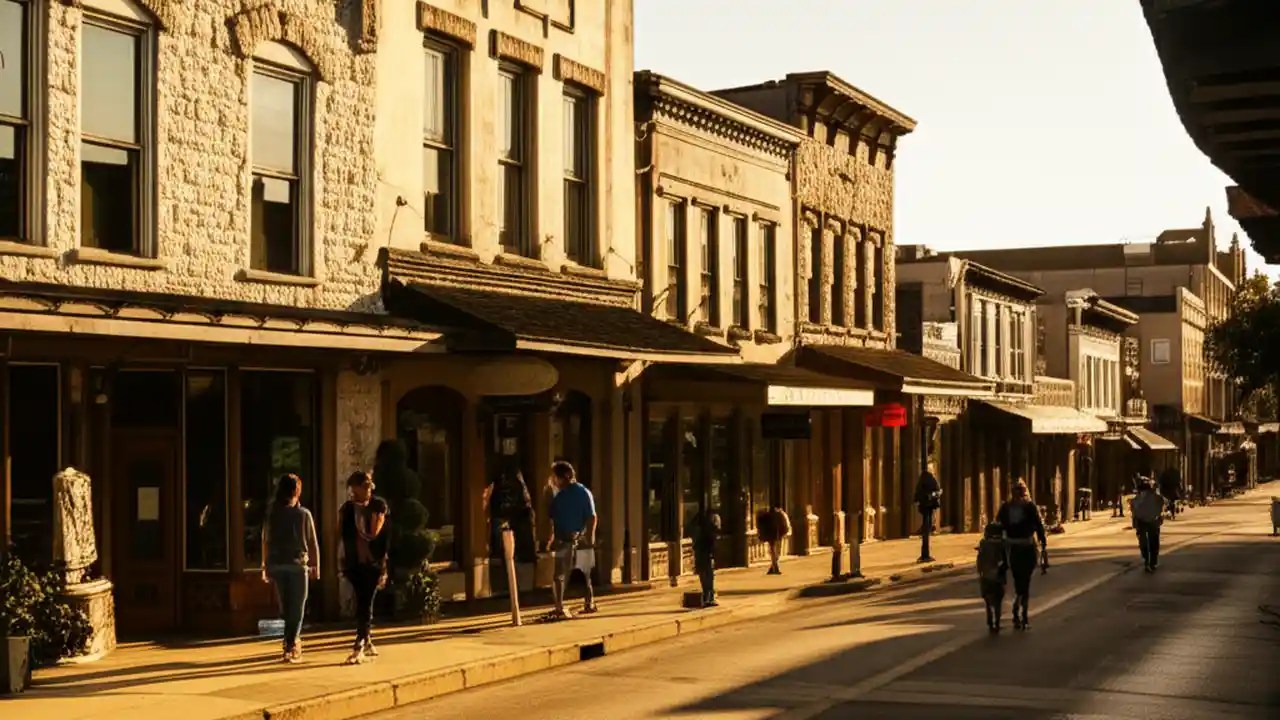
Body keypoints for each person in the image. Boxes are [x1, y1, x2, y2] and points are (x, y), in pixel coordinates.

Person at [260, 473, 320, 663]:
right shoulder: (303, 514)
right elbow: (313, 542)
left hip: (278, 564)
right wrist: (316, 565)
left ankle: (290, 642)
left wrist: (264, 565)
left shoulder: (273, 514)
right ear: (297, 491)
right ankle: (292, 643)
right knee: (296, 607)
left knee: (287, 607)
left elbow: (265, 541)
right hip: (296, 564)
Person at [339, 470, 389, 665]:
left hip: (373, 562)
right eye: (360, 487)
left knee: (365, 602)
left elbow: (376, 532)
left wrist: (384, 565)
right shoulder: (347, 509)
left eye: (368, 487)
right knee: (363, 602)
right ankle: (366, 639)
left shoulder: (378, 505)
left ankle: (359, 643)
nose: (363, 491)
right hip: (354, 562)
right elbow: (341, 535)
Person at [546, 461, 597, 620]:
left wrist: (589, 536)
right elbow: (553, 519)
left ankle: (566, 605)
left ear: (565, 477)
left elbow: (591, 517)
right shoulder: (564, 495)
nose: (553, 481)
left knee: (571, 573)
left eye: (555, 477)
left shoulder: (577, 493)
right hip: (571, 538)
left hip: (574, 538)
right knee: (578, 572)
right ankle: (580, 604)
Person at [995, 480, 1047, 631]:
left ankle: (1019, 610)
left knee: (1019, 580)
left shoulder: (1006, 507)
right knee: (1025, 583)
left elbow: (998, 525)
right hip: (1027, 547)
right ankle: (1022, 614)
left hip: (1012, 549)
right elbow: (1039, 525)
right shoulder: (1030, 506)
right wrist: (1043, 543)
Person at [975, 522, 1008, 634]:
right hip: (998, 577)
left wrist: (980, 572)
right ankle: (997, 623)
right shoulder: (1002, 544)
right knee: (998, 601)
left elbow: (979, 560)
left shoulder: (983, 544)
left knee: (988, 600)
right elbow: (1005, 561)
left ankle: (990, 621)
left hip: (986, 576)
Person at [1130, 476, 1164, 573]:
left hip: (1148, 522)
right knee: (1150, 542)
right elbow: (1160, 506)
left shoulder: (1139, 499)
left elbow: (1134, 512)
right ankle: (1150, 561)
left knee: (1147, 542)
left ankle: (1149, 560)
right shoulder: (1140, 499)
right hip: (1149, 521)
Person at [690, 507, 721, 606]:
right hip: (706, 554)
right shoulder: (709, 531)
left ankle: (706, 597)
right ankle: (709, 597)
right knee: (708, 576)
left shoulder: (699, 528)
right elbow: (711, 542)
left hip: (700, 554)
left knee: (704, 576)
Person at [914, 462, 942, 563]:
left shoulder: (922, 479)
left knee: (927, 528)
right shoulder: (930, 479)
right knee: (927, 528)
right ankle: (925, 555)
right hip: (929, 507)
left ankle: (925, 554)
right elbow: (936, 491)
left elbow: (917, 495)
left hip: (925, 507)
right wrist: (936, 495)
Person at [756, 504, 792, 575]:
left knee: (773, 551)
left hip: (772, 534)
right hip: (776, 534)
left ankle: (773, 567)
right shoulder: (779, 514)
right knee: (776, 551)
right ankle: (775, 567)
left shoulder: (770, 514)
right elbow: (785, 524)